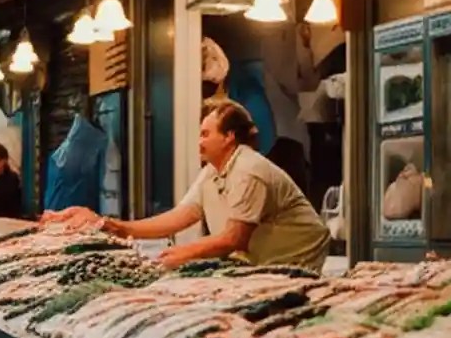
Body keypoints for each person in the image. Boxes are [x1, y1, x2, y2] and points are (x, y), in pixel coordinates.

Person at [45, 98, 330, 272]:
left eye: (206, 134)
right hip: (261, 261)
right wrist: (114, 226)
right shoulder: (212, 172)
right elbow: (180, 217)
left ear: (229, 136)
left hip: (295, 260)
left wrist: (184, 254)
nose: (199, 141)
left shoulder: (248, 168)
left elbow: (234, 239)